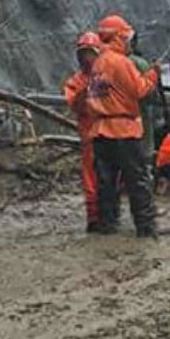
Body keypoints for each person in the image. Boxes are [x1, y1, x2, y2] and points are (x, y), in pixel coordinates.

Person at [72, 30, 161, 236]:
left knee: (106, 184)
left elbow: (82, 99)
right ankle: (146, 228)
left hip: (100, 133)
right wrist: (154, 74)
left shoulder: (98, 65)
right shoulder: (120, 61)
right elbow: (140, 90)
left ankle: (107, 227)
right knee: (137, 181)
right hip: (124, 130)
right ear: (120, 38)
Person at [62, 32, 108, 233]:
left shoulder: (108, 75)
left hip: (111, 134)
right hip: (90, 136)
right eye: (83, 53)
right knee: (91, 179)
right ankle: (94, 217)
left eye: (90, 53)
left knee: (113, 177)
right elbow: (75, 105)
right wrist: (86, 91)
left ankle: (110, 214)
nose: (87, 58)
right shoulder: (76, 82)